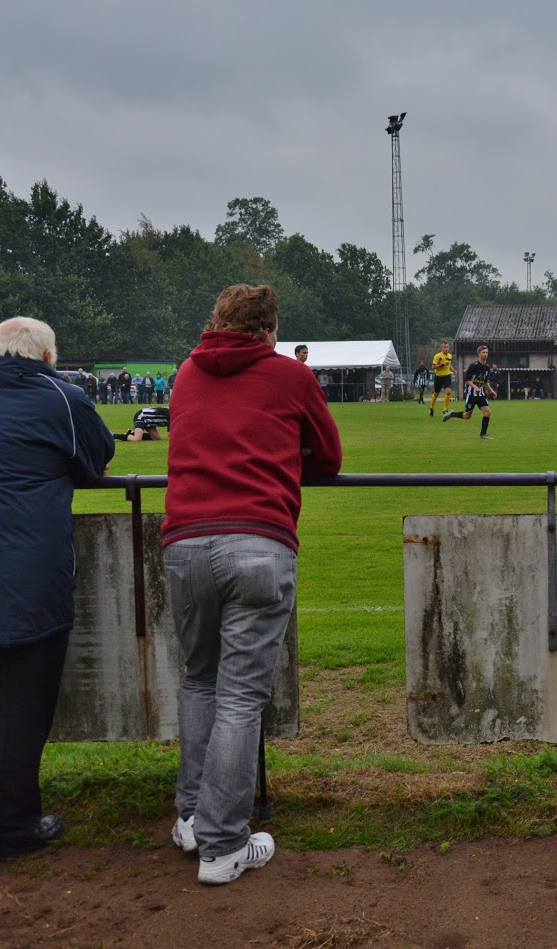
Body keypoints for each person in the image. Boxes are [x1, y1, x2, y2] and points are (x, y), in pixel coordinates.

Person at [162, 284, 342, 885]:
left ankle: (193, 818)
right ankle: (222, 845)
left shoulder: (187, 372)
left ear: (216, 321)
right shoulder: (290, 376)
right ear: (269, 330)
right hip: (257, 540)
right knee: (240, 696)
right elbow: (329, 457)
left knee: (200, 681)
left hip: (185, 542)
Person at [0, 316, 115, 868]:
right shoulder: (63, 397)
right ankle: (13, 827)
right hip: (31, 574)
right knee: (21, 704)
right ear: (48, 355)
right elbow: (98, 459)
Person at [442, 345, 496, 438]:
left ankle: (483, 434)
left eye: (487, 352)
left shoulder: (487, 368)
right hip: (471, 394)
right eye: (483, 352)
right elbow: (467, 381)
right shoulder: (473, 366)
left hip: (481, 394)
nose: (485, 354)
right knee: (467, 416)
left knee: (487, 412)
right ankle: (452, 414)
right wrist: (475, 387)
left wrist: (491, 391)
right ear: (479, 354)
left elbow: (485, 382)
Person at [426, 339, 454, 417]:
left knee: (448, 392)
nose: (446, 348)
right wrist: (442, 365)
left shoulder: (450, 355)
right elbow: (433, 366)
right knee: (436, 393)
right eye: (445, 347)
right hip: (439, 377)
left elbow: (449, 364)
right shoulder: (438, 356)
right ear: (441, 348)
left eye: (447, 347)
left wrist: (453, 370)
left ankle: (445, 410)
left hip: (447, 376)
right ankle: (431, 408)